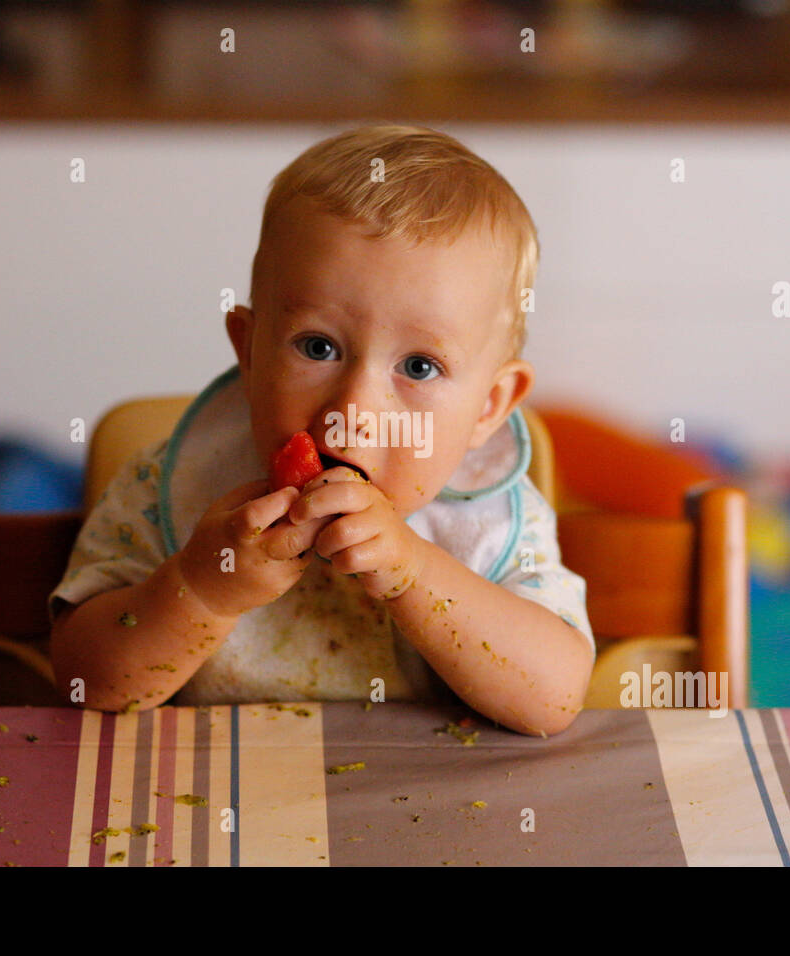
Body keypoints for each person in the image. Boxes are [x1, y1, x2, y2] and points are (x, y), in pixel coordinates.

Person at [50, 125, 594, 735]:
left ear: (491, 405)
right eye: (318, 346)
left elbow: (552, 700)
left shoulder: (492, 515)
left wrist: (415, 573)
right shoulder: (166, 486)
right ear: (250, 352)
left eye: (419, 366)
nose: (353, 408)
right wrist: (202, 589)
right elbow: (83, 683)